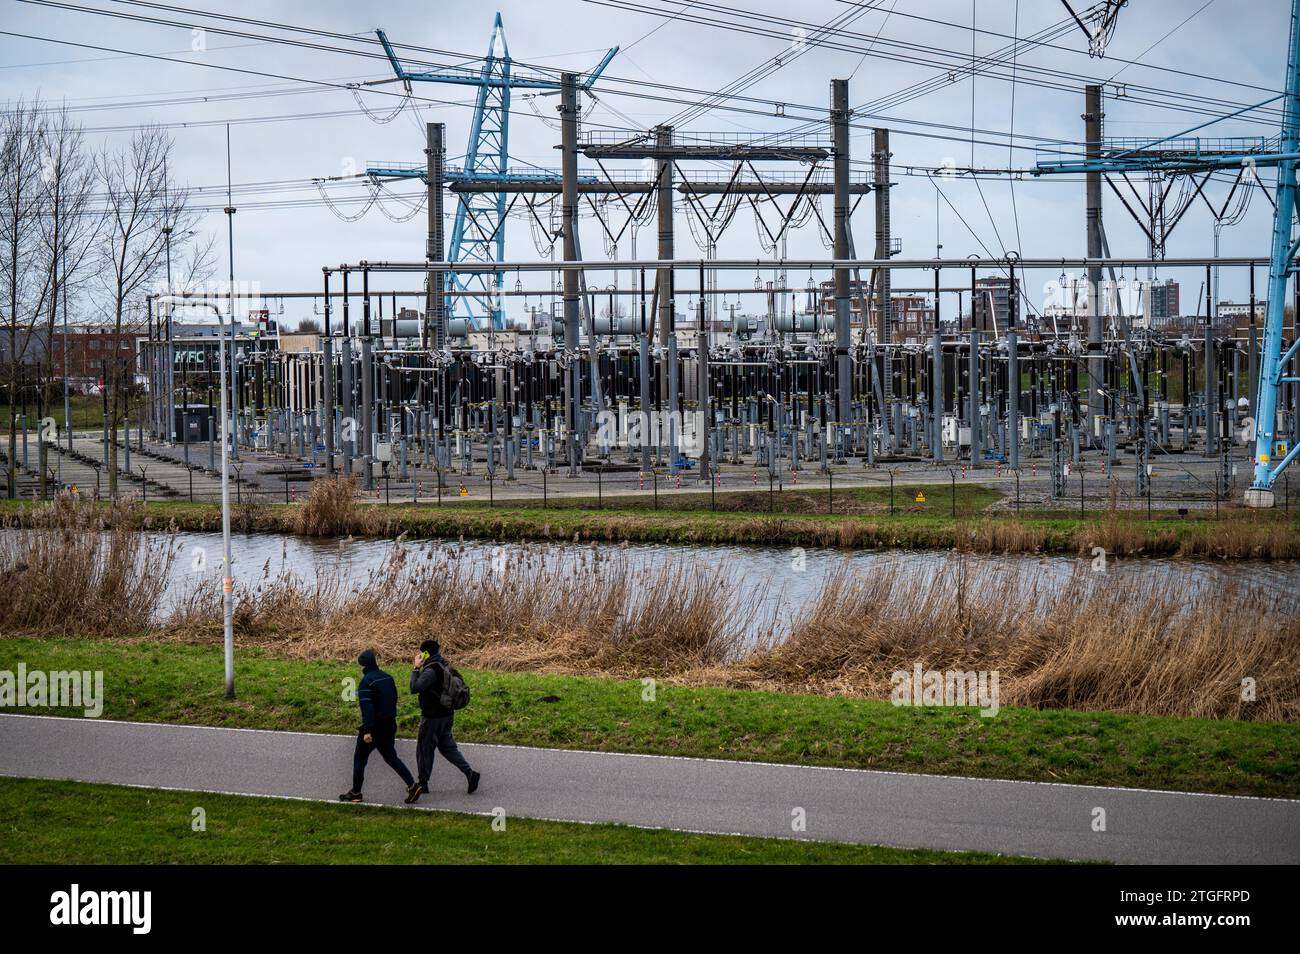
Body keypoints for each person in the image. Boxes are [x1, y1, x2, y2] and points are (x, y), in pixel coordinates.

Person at [339, 649, 418, 804]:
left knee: (360, 759)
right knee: (391, 757)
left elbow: (367, 709)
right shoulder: (388, 678)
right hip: (390, 724)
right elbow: (393, 699)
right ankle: (412, 785)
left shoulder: (366, 683)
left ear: (362, 666)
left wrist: (367, 730)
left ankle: (356, 792)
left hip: (374, 727)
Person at [405, 639, 480, 802]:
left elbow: (415, 688)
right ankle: (470, 773)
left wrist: (416, 668)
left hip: (432, 717)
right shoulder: (444, 664)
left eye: (421, 652)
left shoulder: (431, 670)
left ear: (425, 653)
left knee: (424, 748)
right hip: (447, 715)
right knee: (447, 748)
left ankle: (422, 783)